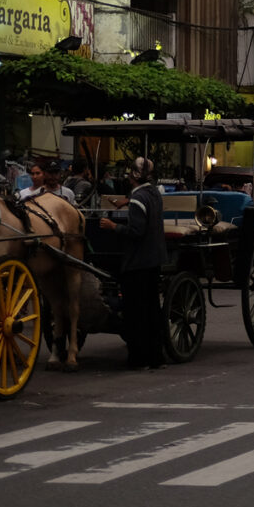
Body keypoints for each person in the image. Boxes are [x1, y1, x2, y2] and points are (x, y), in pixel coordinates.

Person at [99, 157, 168, 370]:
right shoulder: (154, 193)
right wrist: (127, 201)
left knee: (135, 313)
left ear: (134, 176)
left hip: (137, 262)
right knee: (151, 309)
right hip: (153, 260)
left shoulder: (139, 199)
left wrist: (113, 227)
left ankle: (138, 359)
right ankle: (156, 358)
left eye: (130, 174)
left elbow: (136, 232)